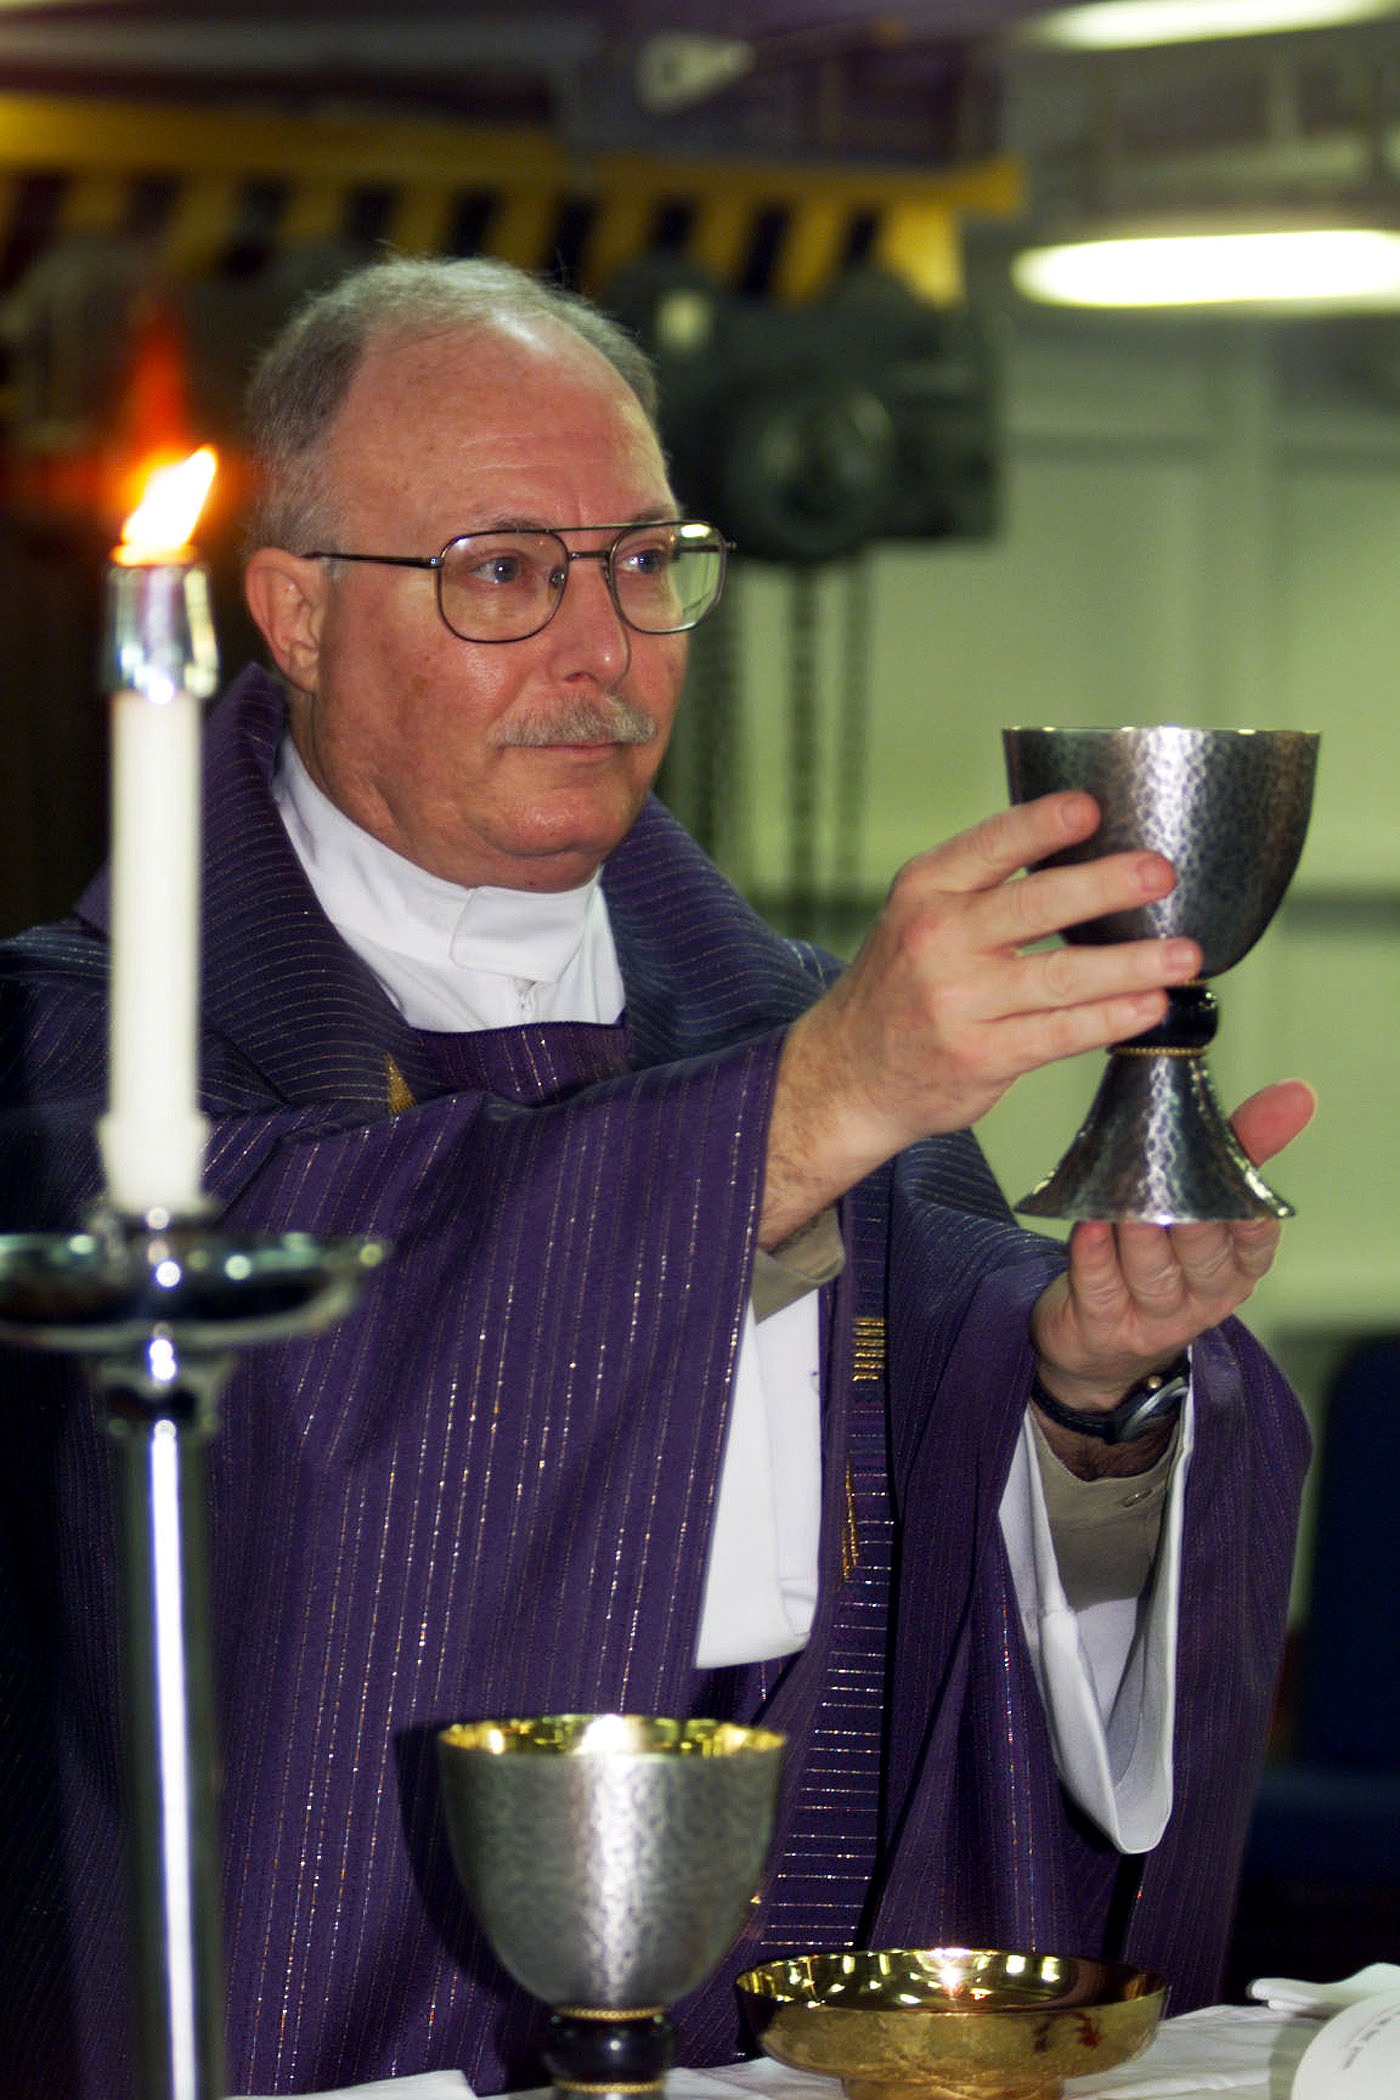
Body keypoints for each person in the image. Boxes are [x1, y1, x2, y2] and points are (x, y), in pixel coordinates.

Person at [0, 256, 1312, 2098]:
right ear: (292, 610)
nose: (604, 650)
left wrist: (1095, 1390)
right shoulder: (88, 1048)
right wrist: (798, 1114)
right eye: (506, 571)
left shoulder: (770, 1014)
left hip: (799, 1982)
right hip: (354, 1990)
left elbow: (958, 1418)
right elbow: (284, 1403)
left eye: (643, 560)